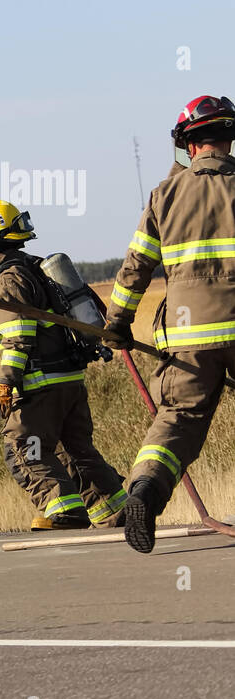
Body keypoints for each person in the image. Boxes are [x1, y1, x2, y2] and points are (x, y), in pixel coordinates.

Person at [103, 95, 235, 553]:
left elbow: (135, 267)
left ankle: (145, 493)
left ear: (189, 145)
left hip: (189, 336)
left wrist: (116, 322)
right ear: (228, 139)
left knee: (178, 421)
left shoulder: (165, 194)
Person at [0, 200, 126, 530]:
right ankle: (118, 510)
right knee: (74, 450)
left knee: (23, 449)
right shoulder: (32, 268)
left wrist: (5, 384)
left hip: (40, 384)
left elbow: (18, 337)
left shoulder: (8, 280)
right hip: (69, 381)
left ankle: (65, 511)